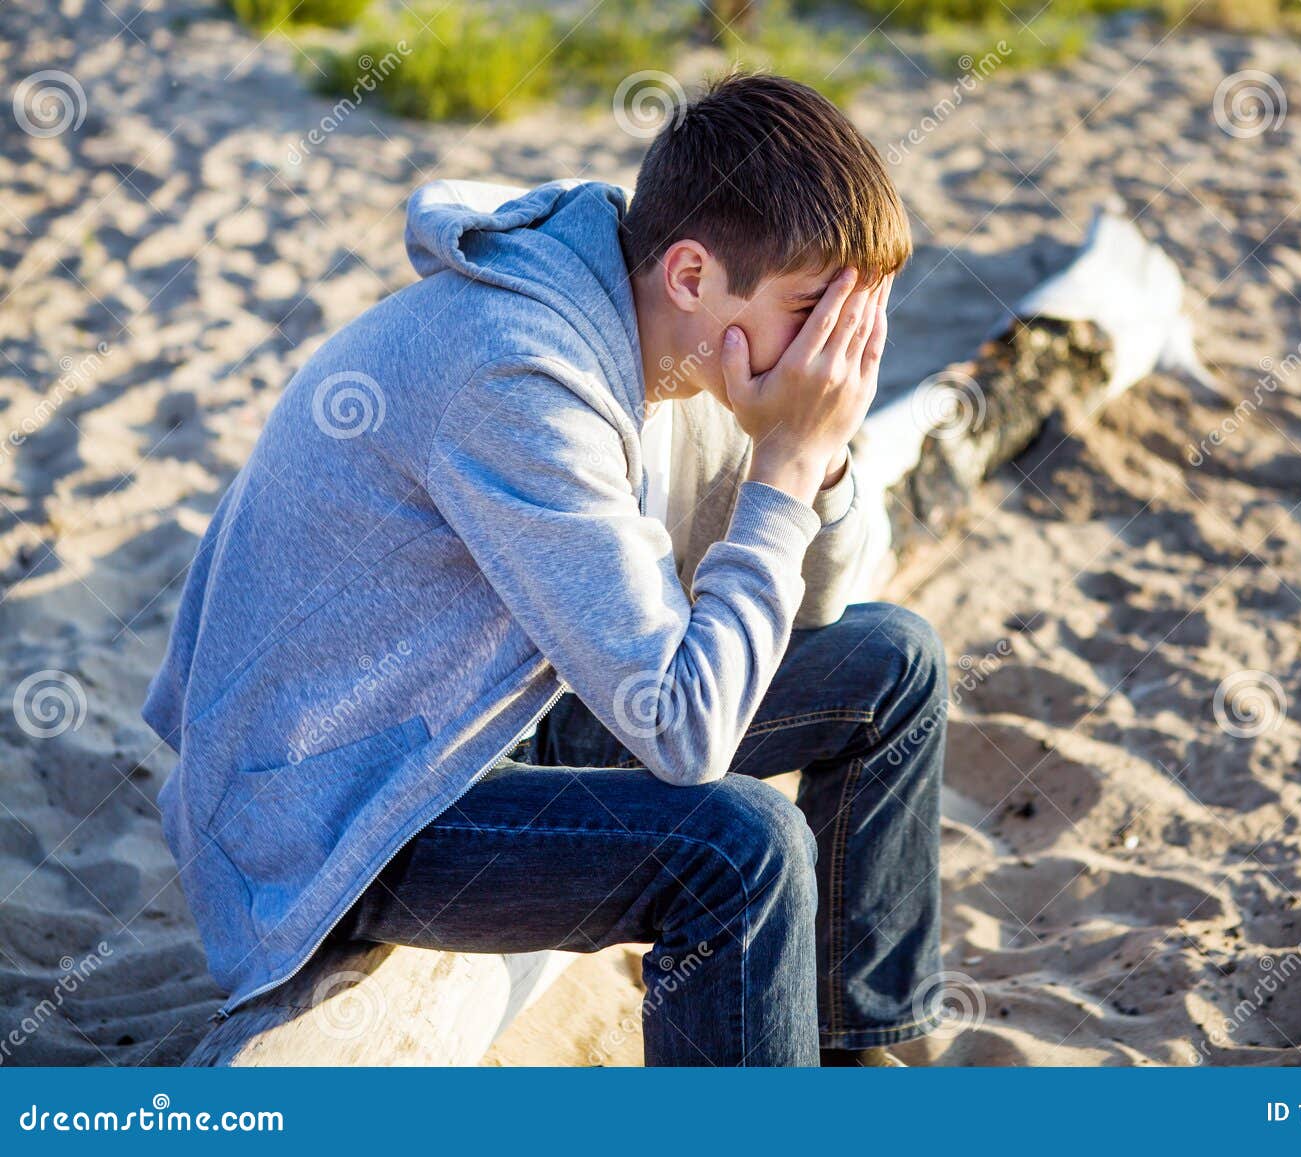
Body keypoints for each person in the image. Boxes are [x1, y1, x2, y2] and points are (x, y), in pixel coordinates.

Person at [144, 71, 946, 1067]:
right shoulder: (521, 375)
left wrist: (819, 454)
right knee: (738, 850)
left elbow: (816, 599)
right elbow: (684, 730)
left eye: (853, 320)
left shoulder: (672, 325)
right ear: (692, 275)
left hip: (488, 716)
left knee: (895, 664)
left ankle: (860, 1057)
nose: (832, 355)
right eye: (812, 311)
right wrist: (779, 470)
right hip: (346, 809)